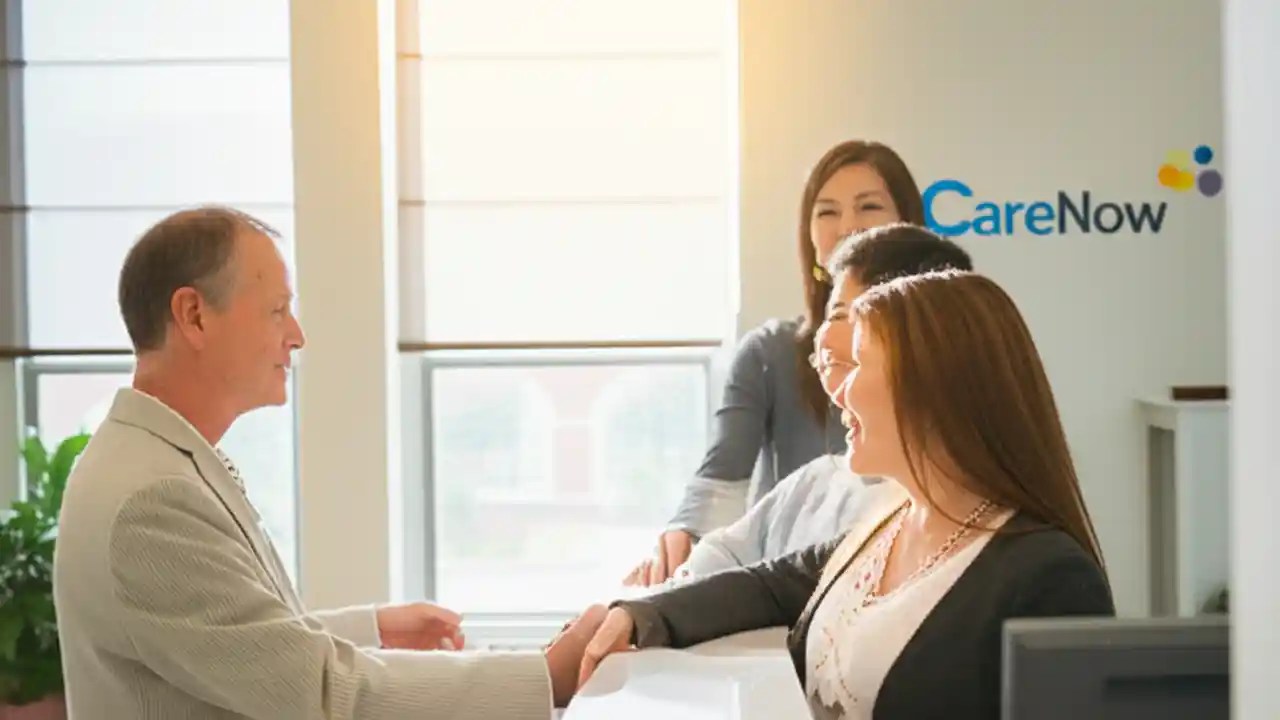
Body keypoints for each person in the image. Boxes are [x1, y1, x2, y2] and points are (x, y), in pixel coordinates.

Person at [52, 207, 607, 720]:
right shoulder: (150, 502)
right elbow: (315, 690)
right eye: (276, 311)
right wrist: (544, 677)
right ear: (194, 315)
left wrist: (373, 629)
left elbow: (235, 642)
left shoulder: (148, 462)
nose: (296, 336)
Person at [579, 268, 1115, 719]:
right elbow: (766, 587)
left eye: (858, 364)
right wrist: (643, 614)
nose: (836, 389)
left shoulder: (1049, 577)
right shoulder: (890, 524)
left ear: (932, 384)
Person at [626, 140, 928, 586]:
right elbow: (722, 482)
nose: (848, 227)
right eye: (826, 212)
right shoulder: (770, 355)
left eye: (868, 207)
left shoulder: (947, 345)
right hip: (787, 595)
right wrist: (682, 545)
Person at [657, 225, 974, 583]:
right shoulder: (812, 484)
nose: (827, 350)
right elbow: (724, 555)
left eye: (845, 316)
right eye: (833, 315)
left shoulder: (950, 517)